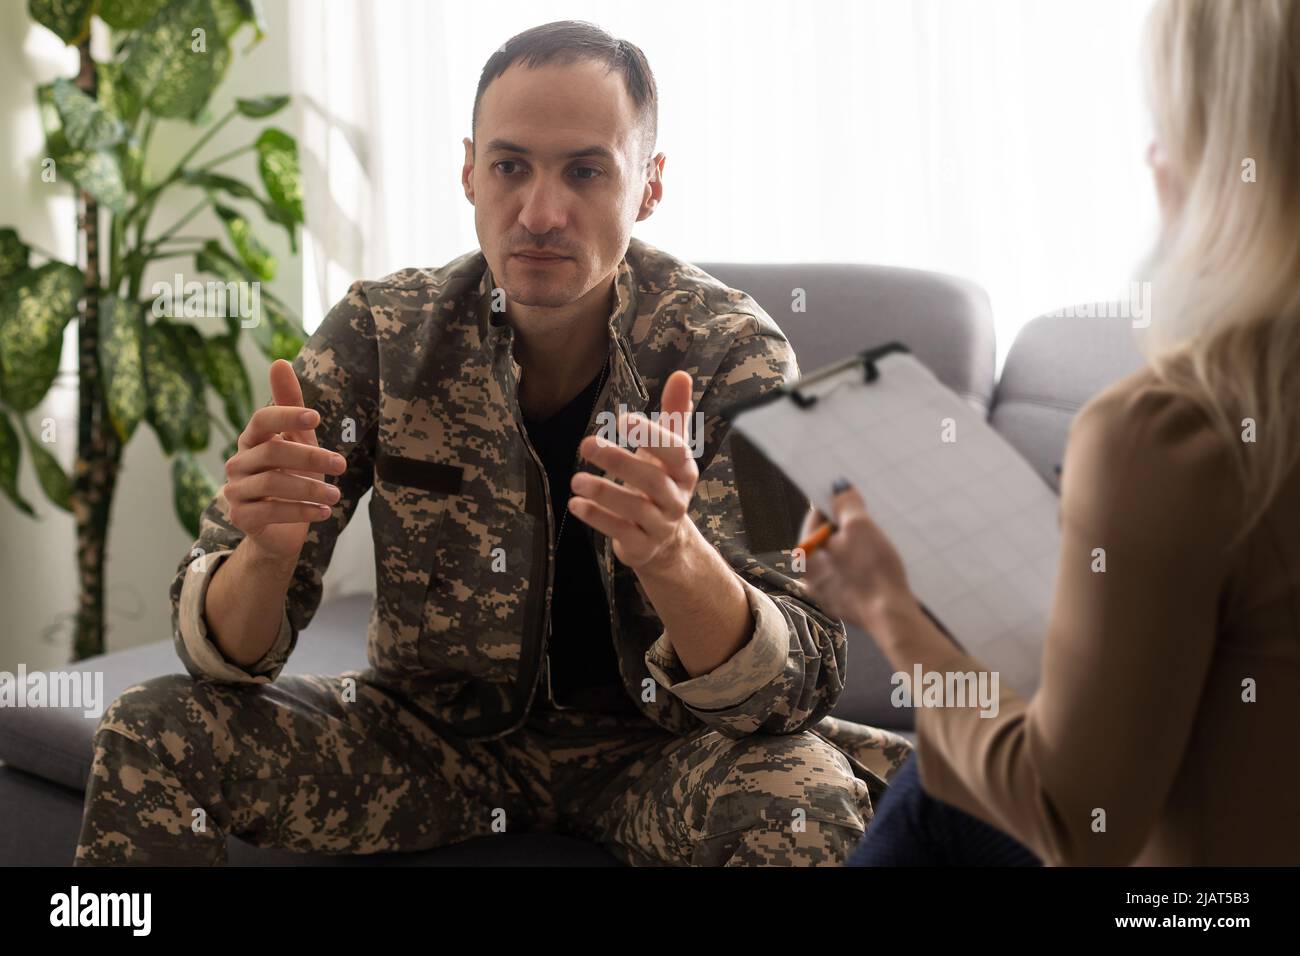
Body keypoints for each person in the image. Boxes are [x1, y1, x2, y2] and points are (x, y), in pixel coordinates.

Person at [75, 20, 911, 867]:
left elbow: (795, 681)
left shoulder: (738, 354)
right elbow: (221, 658)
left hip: (664, 753)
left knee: (800, 799)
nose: (540, 213)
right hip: (429, 745)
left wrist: (672, 554)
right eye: (510, 167)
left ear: (649, 185)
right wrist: (266, 552)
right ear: (469, 171)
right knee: (153, 729)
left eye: (586, 171)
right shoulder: (380, 334)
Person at [805, 0, 1300, 866]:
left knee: (935, 795)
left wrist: (887, 606)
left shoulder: (1176, 429)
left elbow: (1075, 821)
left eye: (1171, 120)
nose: (1153, 155)